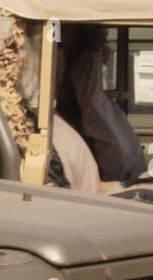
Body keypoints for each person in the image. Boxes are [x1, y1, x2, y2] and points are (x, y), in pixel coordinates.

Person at [58, 25, 145, 183]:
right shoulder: (93, 103)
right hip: (120, 178)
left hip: (128, 175)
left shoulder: (102, 105)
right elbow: (116, 164)